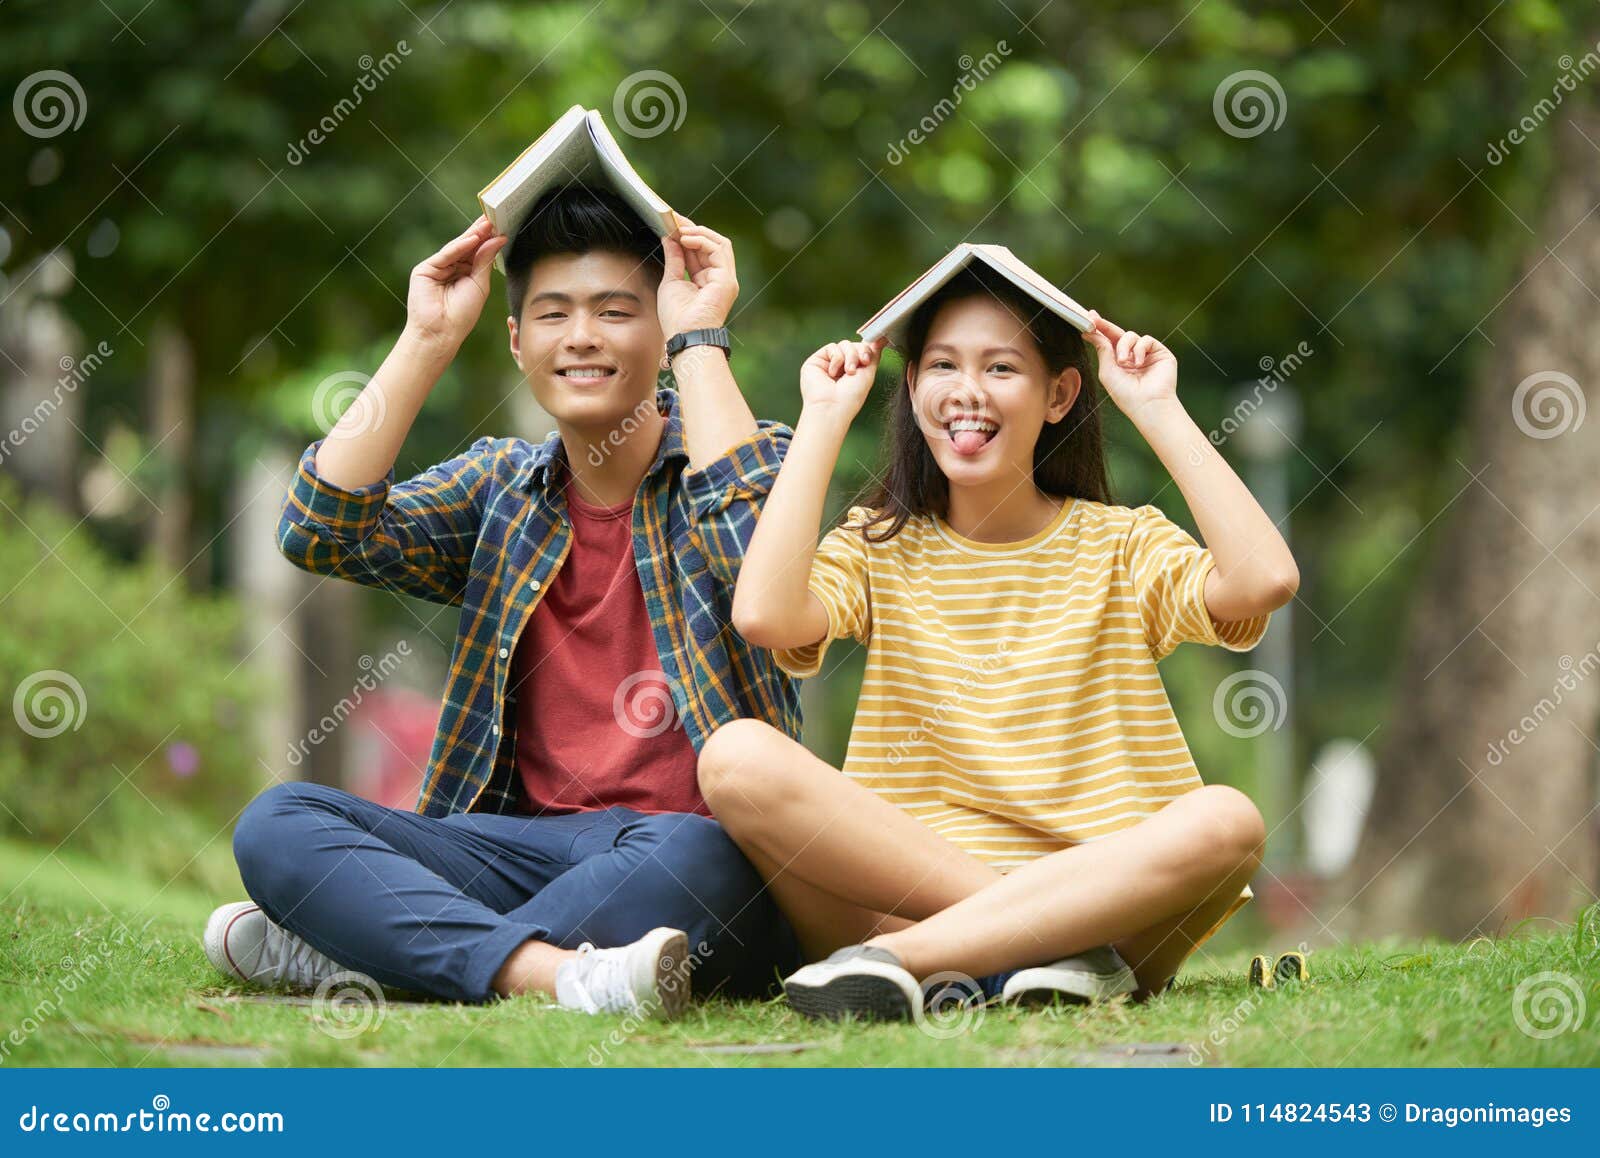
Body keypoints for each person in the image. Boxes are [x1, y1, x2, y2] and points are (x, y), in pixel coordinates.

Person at [203, 185, 802, 1017]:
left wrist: (701, 335)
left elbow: (758, 576)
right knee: (277, 822)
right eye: (554, 314)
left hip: (686, 854)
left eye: (616, 311)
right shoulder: (500, 487)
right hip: (514, 847)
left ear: (661, 334)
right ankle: (553, 976)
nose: (583, 337)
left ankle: (379, 953)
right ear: (518, 342)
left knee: (698, 854)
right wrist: (426, 337)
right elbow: (318, 531)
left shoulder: (748, 455)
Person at [696, 262, 1299, 1020]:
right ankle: (1053, 949)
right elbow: (765, 617)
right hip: (914, 905)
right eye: (943, 366)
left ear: (1060, 396)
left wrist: (1156, 407)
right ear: (912, 388)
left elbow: (1264, 580)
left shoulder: (1121, 544)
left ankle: (899, 969)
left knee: (1228, 821)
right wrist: (822, 417)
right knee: (736, 756)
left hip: (1102, 911)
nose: (967, 390)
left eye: (1001, 367)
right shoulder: (880, 547)